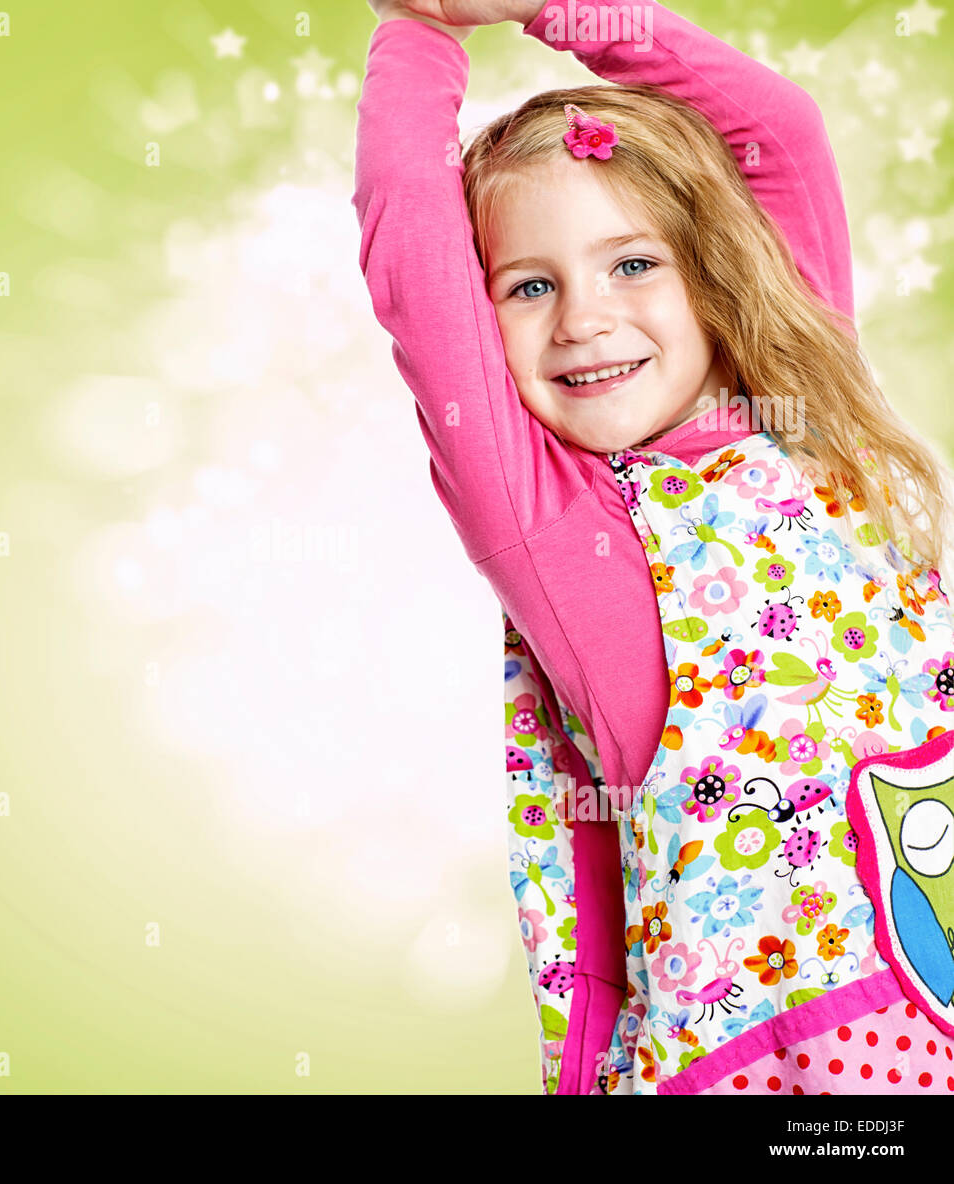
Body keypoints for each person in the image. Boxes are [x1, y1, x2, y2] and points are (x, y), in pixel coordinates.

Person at [353, 0, 954, 1095]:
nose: (583, 316)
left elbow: (776, 128)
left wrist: (550, 7)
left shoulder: (798, 401)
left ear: (717, 269)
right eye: (528, 286)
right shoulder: (558, 528)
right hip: (769, 1064)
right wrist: (416, 24)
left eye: (632, 264)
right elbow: (415, 263)